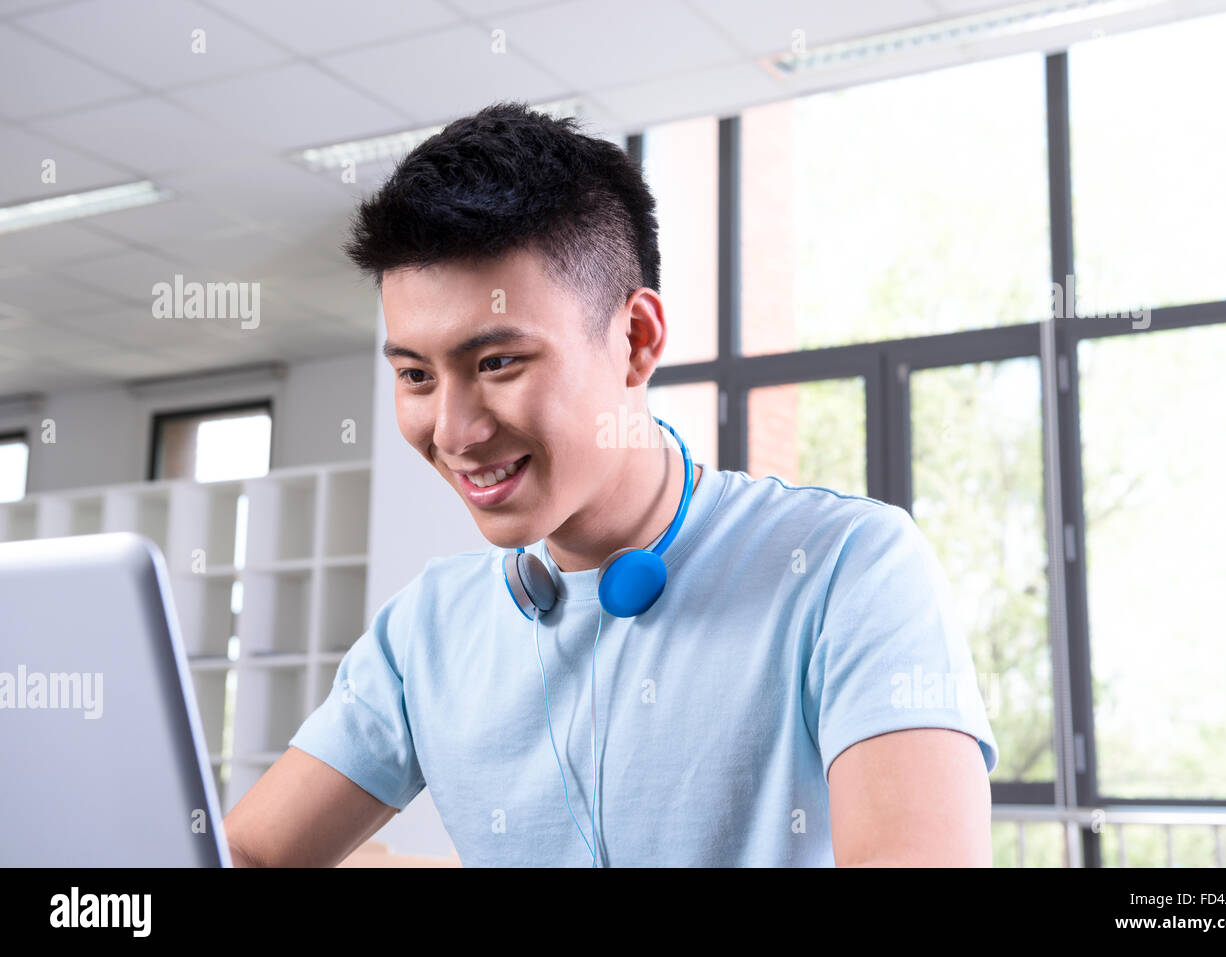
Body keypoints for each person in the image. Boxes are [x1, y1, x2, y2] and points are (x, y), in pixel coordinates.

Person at [222, 101, 998, 867]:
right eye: (416, 375)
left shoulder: (847, 566)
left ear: (636, 339)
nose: (454, 432)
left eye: (497, 363)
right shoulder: (426, 630)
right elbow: (248, 854)